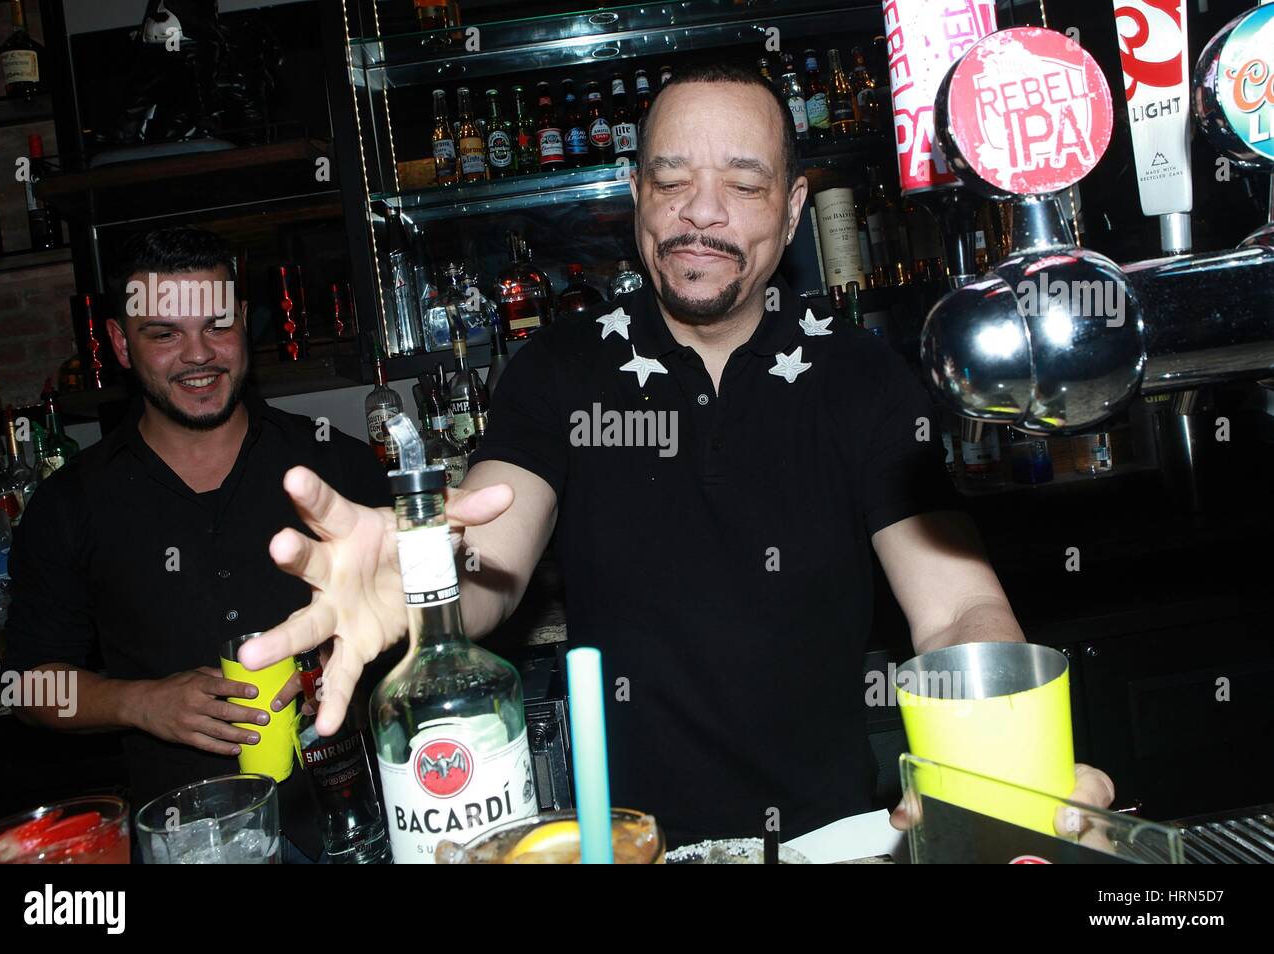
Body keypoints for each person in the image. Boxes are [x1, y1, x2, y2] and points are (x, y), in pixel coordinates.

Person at [242, 64, 1115, 845]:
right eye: (671, 180)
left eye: (744, 183)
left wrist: (1000, 764)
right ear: (635, 195)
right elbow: (490, 562)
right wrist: (419, 587)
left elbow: (958, 610)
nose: (702, 212)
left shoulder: (863, 377)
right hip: (634, 843)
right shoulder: (558, 367)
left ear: (795, 207)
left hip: (835, 838)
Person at [2, 226, 391, 861]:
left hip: (358, 829)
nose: (199, 354)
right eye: (164, 334)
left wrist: (340, 655)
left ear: (244, 323)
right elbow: (27, 687)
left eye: (217, 325)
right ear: (121, 345)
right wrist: (140, 701)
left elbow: (432, 616)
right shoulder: (71, 503)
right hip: (190, 844)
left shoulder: (333, 465)